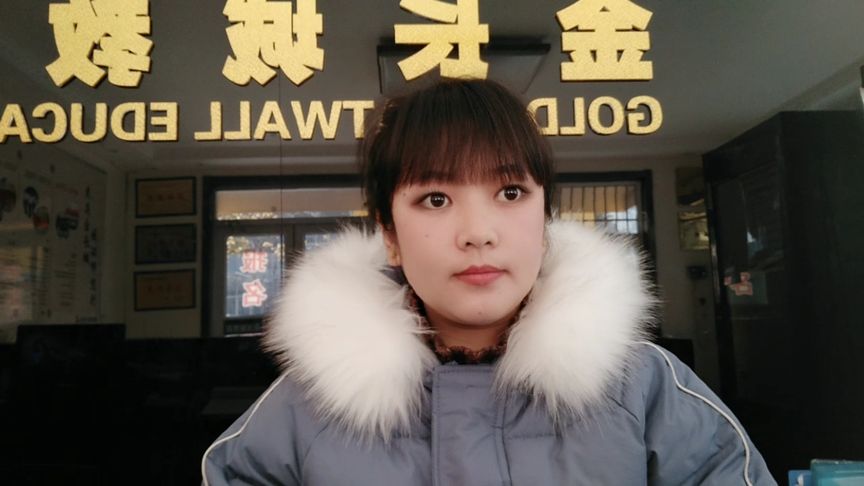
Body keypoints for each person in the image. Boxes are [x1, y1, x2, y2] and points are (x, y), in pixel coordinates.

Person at [201, 79, 776, 485]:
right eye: (435, 198)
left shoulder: (642, 389)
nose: (478, 233)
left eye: (510, 192)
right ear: (389, 233)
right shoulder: (307, 405)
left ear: (544, 220)